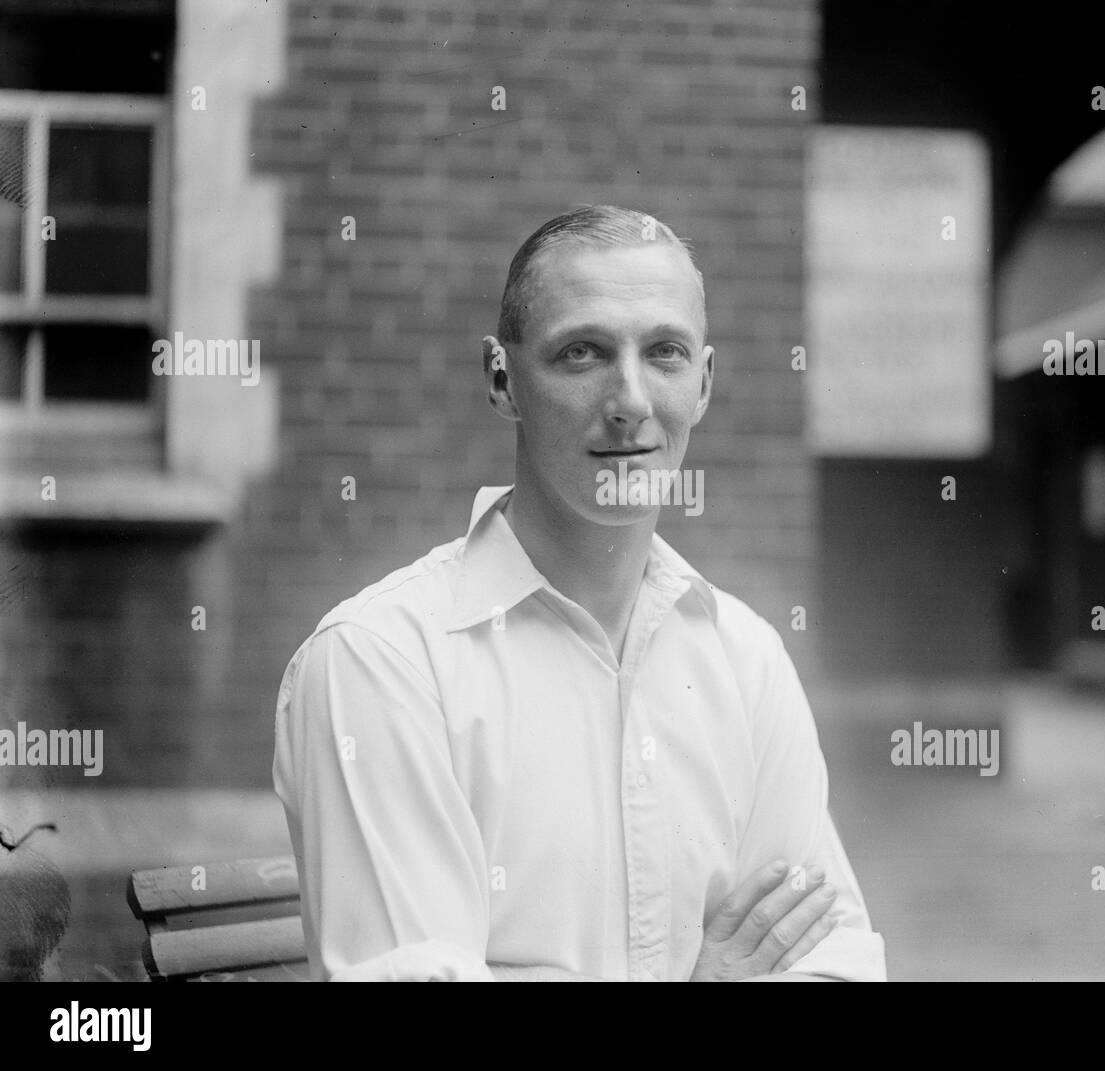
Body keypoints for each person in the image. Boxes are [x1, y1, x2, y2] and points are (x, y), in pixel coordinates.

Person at [273, 205, 887, 981]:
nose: (629, 399)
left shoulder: (747, 657)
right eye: (582, 353)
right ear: (502, 379)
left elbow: (833, 960)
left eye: (663, 352)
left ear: (703, 383)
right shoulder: (381, 661)